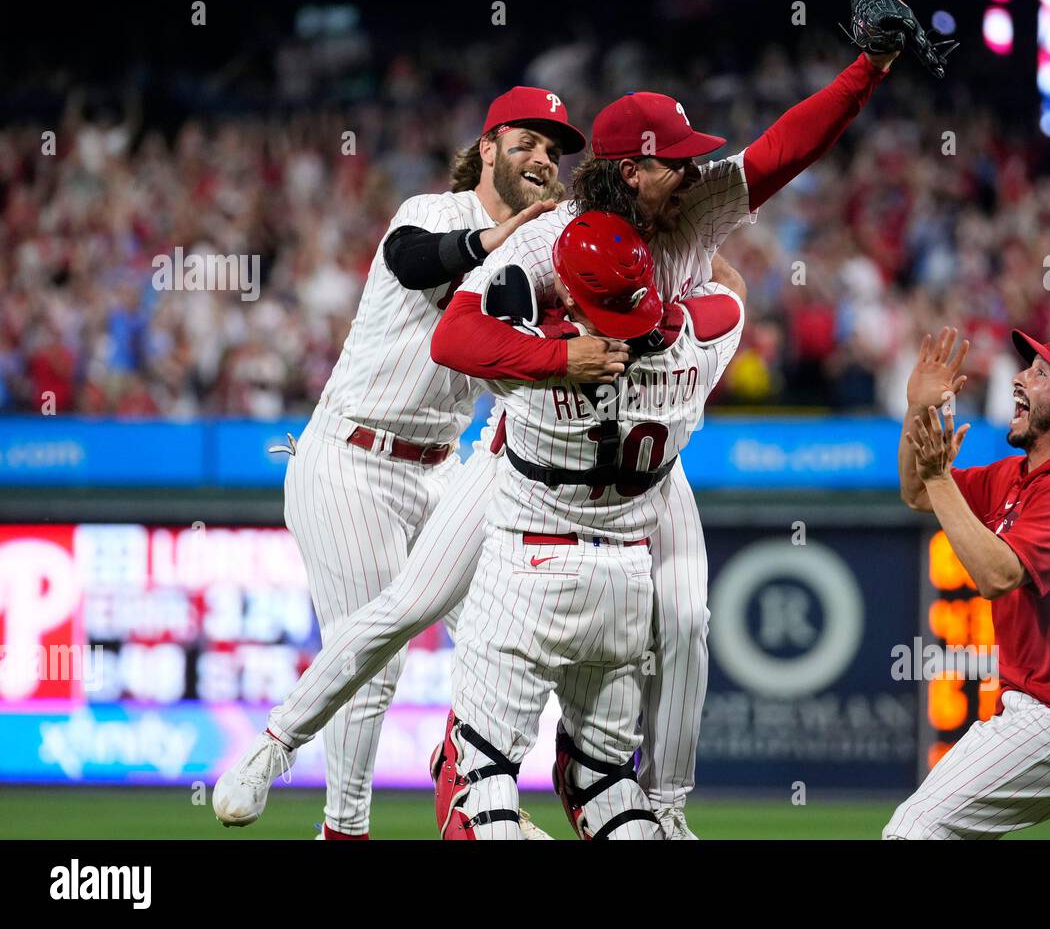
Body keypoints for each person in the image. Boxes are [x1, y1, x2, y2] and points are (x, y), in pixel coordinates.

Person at [213, 86, 597, 839]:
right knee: (376, 656)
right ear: (487, 149)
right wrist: (504, 236)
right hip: (355, 455)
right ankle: (338, 823)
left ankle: (470, 779)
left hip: (442, 467)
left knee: (509, 626)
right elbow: (415, 260)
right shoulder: (436, 212)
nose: (543, 156)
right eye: (526, 139)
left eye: (554, 148)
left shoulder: (544, 249)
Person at [433, 211, 746, 839]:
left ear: (570, 292)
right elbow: (730, 293)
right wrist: (684, 245)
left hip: (531, 568)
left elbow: (457, 337)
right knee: (605, 783)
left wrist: (543, 312)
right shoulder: (703, 345)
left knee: (476, 780)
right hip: (627, 579)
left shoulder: (540, 365)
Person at [886, 327, 1050, 839]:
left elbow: (997, 575)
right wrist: (917, 409)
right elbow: (919, 493)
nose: (1019, 378)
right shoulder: (1021, 475)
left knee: (917, 829)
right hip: (1043, 706)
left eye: (1042, 373)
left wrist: (941, 478)